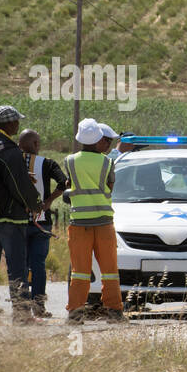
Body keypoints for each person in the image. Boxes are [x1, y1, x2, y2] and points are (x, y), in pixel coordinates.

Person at [0, 105, 42, 325]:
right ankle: (22, 315)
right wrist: (35, 203)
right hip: (11, 218)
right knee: (17, 268)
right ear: (11, 124)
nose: (18, 124)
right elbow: (19, 185)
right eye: (17, 121)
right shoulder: (11, 150)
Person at [64, 117, 122, 323]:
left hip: (79, 224)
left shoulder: (69, 161)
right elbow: (110, 188)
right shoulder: (108, 162)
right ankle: (114, 313)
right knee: (110, 271)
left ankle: (75, 314)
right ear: (98, 137)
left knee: (79, 272)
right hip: (104, 222)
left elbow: (69, 186)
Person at [18, 128, 69, 319]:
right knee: (38, 265)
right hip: (41, 222)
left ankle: (21, 307)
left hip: (18, 223)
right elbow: (64, 183)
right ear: (36, 144)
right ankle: (38, 306)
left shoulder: (12, 163)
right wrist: (49, 201)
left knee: (20, 266)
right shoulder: (47, 163)